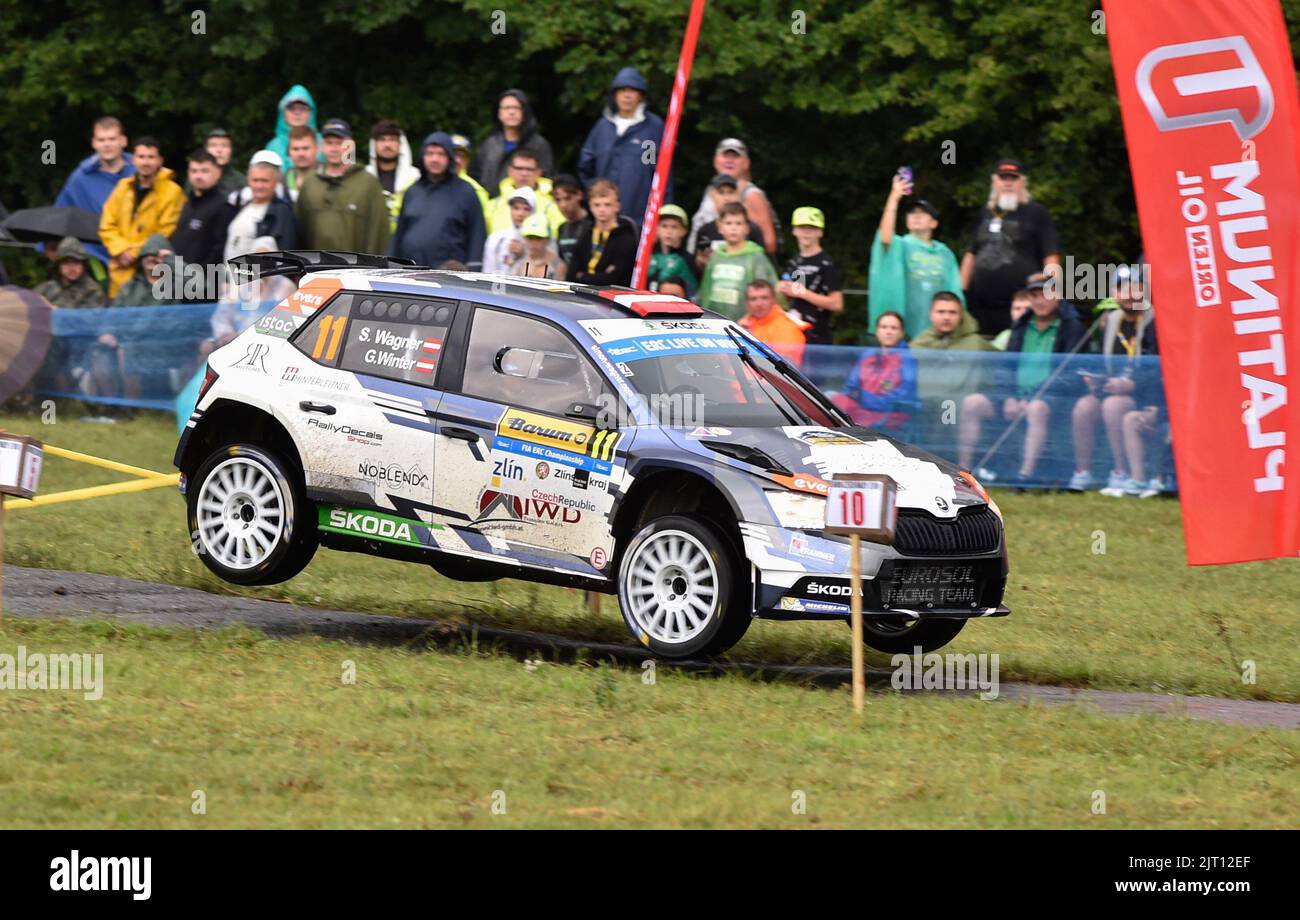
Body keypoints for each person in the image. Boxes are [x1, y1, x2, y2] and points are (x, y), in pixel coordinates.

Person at [959, 273, 1086, 486]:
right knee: (971, 403)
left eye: (1045, 294)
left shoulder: (1072, 326)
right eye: (1034, 295)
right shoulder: (1021, 325)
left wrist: (1032, 397)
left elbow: (1071, 375)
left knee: (1036, 408)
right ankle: (964, 473)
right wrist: (1008, 396)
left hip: (1052, 399)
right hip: (1013, 397)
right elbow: (1006, 366)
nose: (1039, 300)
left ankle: (1024, 476)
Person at [1071, 276, 1160, 494]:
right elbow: (1102, 362)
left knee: (1114, 406)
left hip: (1144, 393)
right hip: (1111, 388)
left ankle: (1123, 471)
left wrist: (1132, 384)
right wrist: (1095, 379)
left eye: (1135, 288)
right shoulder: (1111, 320)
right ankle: (1084, 471)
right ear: (1114, 294)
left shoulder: (1155, 319)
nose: (1129, 294)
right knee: (1083, 407)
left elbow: (1159, 366)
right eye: (1122, 289)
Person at [960, 158, 1061, 336]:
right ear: (994, 182)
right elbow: (971, 254)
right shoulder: (984, 212)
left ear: (1022, 182)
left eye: (1013, 178)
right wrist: (960, 293)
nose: (1008, 182)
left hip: (1022, 305)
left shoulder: (1036, 212)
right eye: (1003, 178)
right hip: (982, 306)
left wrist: (1054, 292)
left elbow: (1051, 256)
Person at [869, 175, 964, 338]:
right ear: (906, 222)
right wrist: (894, 197)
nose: (916, 216)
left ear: (934, 223)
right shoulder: (900, 245)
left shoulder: (945, 253)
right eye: (912, 213)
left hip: (937, 332)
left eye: (923, 213)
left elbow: (955, 290)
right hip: (900, 331)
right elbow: (885, 237)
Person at [577, 66, 669, 221]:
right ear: (614, 95)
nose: (627, 96)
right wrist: (597, 196)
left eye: (632, 90)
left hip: (639, 216)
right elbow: (586, 166)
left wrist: (661, 213)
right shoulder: (602, 128)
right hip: (605, 219)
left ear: (640, 96)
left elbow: (654, 170)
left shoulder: (650, 129)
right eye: (622, 90)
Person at [99, 137, 184, 297]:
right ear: (133, 159)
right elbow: (107, 224)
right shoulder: (123, 187)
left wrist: (134, 253)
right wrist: (120, 249)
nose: (146, 162)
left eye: (151, 157)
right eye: (141, 157)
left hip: (153, 273)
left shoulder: (173, 192)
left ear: (160, 161)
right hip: (120, 273)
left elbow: (166, 231)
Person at [389, 132, 487, 270]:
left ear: (450, 157)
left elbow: (477, 235)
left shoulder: (466, 192)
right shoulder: (412, 192)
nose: (435, 159)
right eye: (429, 153)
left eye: (441, 154)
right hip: (410, 273)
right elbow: (398, 235)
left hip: (449, 276)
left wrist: (475, 270)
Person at [911, 291, 997, 444]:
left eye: (952, 312)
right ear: (931, 314)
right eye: (941, 312)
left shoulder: (975, 342)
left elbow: (999, 367)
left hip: (958, 405)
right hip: (924, 404)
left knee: (947, 412)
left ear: (961, 315)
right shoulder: (920, 342)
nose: (946, 317)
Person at [293, 119, 390, 254]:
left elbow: (379, 232)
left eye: (340, 143)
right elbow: (298, 232)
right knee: (253, 274)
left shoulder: (368, 183)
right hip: (315, 270)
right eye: (329, 143)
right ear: (321, 146)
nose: (334, 148)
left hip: (356, 271)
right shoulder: (310, 182)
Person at [54, 117, 135, 270]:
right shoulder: (80, 179)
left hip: (136, 254)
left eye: (112, 139)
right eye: (101, 139)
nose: (107, 144)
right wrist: (49, 245)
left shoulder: (139, 171)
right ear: (94, 143)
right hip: (96, 259)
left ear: (123, 141)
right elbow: (59, 215)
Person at [689, 138, 779, 258]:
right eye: (725, 155)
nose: (729, 161)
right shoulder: (710, 189)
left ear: (746, 163)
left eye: (735, 156)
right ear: (715, 160)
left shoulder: (751, 195)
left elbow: (769, 244)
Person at [830, 312, 918, 432]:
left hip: (890, 417)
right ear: (877, 331)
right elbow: (851, 388)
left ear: (901, 333)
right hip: (861, 412)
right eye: (884, 327)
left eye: (894, 328)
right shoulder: (868, 355)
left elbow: (902, 397)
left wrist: (864, 398)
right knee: (830, 397)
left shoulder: (907, 359)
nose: (888, 331)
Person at [696, 202, 779, 321]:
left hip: (746, 326)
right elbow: (706, 291)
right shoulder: (715, 257)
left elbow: (768, 295)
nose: (733, 228)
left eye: (739, 223)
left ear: (747, 228)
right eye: (728, 223)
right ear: (720, 228)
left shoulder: (756, 257)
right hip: (713, 323)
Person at [171, 149, 234, 299]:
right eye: (194, 171)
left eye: (204, 171)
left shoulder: (223, 207)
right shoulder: (187, 205)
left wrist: (198, 277)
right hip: (180, 285)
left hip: (206, 288)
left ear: (217, 173)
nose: (198, 176)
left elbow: (220, 249)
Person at [779, 206, 842, 346]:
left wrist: (802, 292)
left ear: (820, 232)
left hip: (818, 336)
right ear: (794, 230)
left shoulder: (826, 263)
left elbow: (837, 303)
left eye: (812, 228)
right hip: (794, 333)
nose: (806, 232)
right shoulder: (794, 262)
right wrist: (783, 289)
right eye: (802, 227)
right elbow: (793, 296)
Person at [474, 90, 555, 190]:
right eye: (507, 108)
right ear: (499, 114)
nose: (511, 112)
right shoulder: (489, 145)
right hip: (492, 203)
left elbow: (547, 179)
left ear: (524, 112)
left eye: (516, 108)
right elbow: (476, 177)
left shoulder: (539, 145)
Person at [224, 152, 298, 260]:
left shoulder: (283, 212)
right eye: (255, 180)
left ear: (275, 182)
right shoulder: (242, 204)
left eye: (265, 181)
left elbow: (288, 254)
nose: (259, 186)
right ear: (248, 181)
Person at [567, 179, 637, 286]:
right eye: (597, 205)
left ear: (617, 206)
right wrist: (600, 275)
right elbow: (571, 274)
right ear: (590, 206)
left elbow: (616, 278)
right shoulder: (586, 234)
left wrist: (582, 276)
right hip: (581, 295)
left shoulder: (625, 237)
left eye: (607, 205)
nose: (602, 210)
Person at [691, 174, 764, 273]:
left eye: (731, 192)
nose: (726, 198)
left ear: (738, 195)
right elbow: (695, 272)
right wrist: (701, 264)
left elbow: (762, 265)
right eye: (721, 193)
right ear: (712, 196)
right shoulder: (704, 230)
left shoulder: (752, 229)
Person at [485, 148, 563, 235]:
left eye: (529, 169)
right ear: (510, 171)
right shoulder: (493, 205)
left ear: (539, 172)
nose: (524, 173)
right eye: (519, 168)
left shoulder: (553, 204)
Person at [366, 119, 422, 234]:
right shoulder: (364, 176)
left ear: (401, 144)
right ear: (374, 144)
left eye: (392, 140)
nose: (387, 145)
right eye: (382, 140)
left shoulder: (415, 177)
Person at [738, 280, 807, 365]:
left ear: (774, 300)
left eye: (764, 298)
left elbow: (784, 369)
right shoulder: (743, 325)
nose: (759, 303)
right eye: (753, 299)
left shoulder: (787, 327)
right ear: (747, 303)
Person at [33, 237, 107, 308]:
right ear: (58, 265)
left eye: (76, 262)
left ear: (83, 265)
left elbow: (90, 318)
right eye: (66, 262)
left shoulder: (93, 291)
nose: (72, 268)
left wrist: (57, 312)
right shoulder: (46, 289)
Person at [482, 186, 537, 274]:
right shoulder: (496, 238)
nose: (520, 214)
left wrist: (525, 253)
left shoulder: (542, 241)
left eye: (526, 209)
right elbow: (488, 270)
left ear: (533, 211)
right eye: (516, 208)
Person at [647, 204, 696, 295]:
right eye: (664, 226)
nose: (668, 232)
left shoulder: (688, 259)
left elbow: (694, 292)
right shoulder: (647, 255)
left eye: (674, 227)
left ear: (683, 231)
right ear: (656, 229)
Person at [265, 84, 321, 163]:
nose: (297, 113)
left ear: (311, 112)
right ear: (283, 113)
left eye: (303, 108)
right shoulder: (273, 146)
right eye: (291, 108)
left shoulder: (324, 142)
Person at [508, 214, 565, 280]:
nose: (533, 243)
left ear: (547, 239)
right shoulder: (519, 263)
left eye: (538, 238)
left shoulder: (558, 265)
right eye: (530, 237)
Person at [552, 174, 588, 272]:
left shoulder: (592, 224)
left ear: (579, 195)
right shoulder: (562, 228)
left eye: (568, 198)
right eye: (558, 200)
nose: (563, 205)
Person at [450, 134, 491, 220]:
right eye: (454, 154)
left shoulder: (476, 191)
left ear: (467, 161)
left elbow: (483, 223)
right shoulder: (429, 183)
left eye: (462, 156)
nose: (457, 160)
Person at [203, 129, 245, 195]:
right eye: (213, 145)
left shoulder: (241, 181)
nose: (219, 150)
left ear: (231, 151)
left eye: (224, 145)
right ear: (206, 150)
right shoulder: (197, 178)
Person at [283, 125, 318, 203]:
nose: (301, 154)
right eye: (295, 149)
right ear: (289, 151)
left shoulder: (327, 175)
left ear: (317, 149)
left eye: (305, 148)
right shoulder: (285, 179)